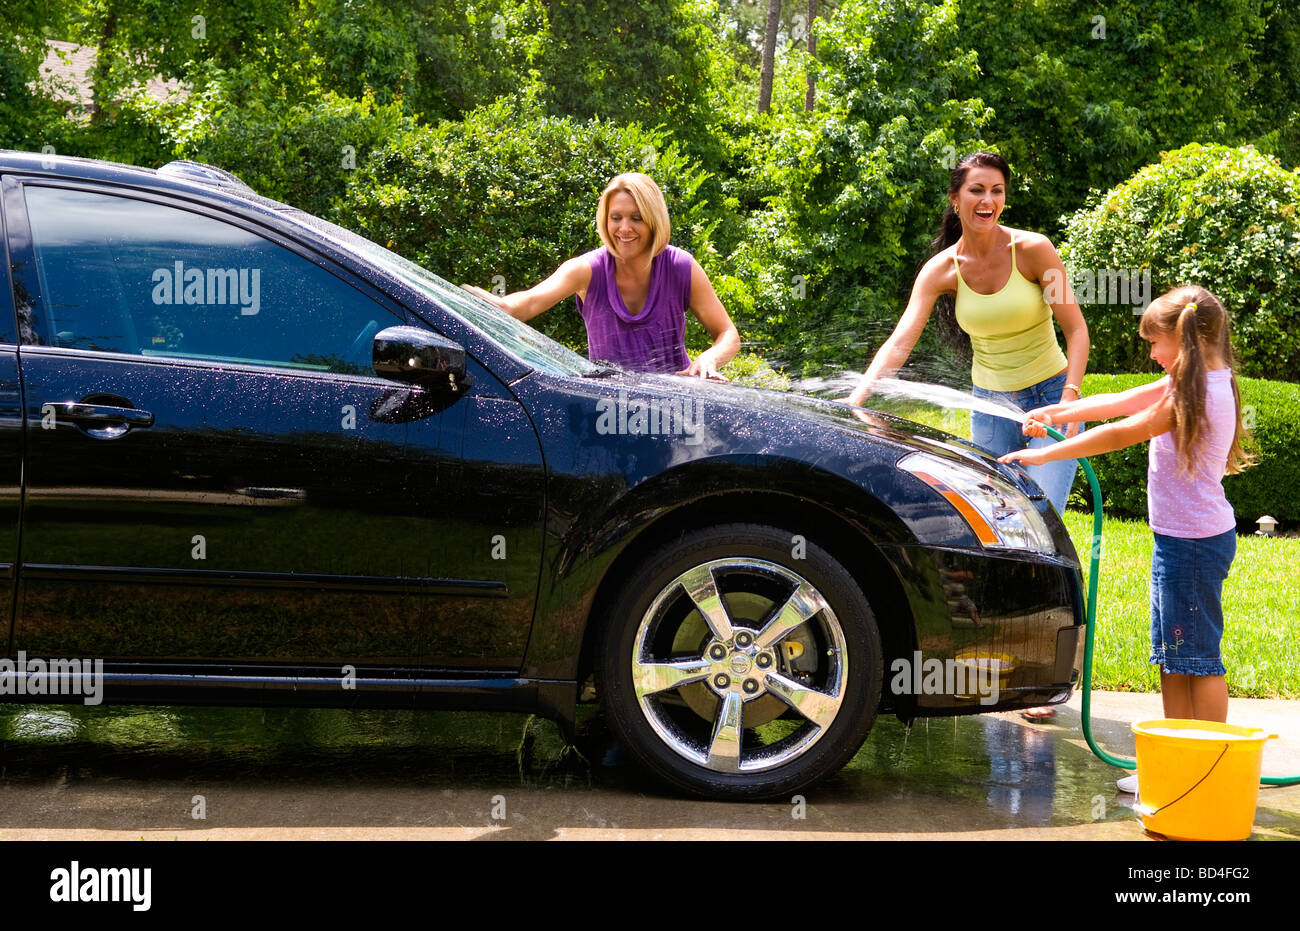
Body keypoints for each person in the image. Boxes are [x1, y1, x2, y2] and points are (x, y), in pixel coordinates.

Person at [998, 285, 1254, 790]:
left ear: (1186, 341)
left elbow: (1123, 431)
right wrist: (1057, 413)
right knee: (1173, 655)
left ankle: (1205, 772)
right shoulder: (1190, 379)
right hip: (1179, 541)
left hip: (1195, 547)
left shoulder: (1198, 393)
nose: (1152, 354)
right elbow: (1116, 402)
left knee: (1198, 660)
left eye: (1156, 343)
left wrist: (1046, 454)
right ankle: (1171, 760)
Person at [841, 152, 1090, 517]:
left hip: (1051, 397)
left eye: (997, 190)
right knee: (997, 518)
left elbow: (1077, 329)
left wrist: (1069, 399)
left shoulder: (1034, 250)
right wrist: (857, 398)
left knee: (1041, 514)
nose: (988, 201)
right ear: (955, 200)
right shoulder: (941, 270)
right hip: (991, 407)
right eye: (977, 190)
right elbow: (900, 341)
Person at [462, 172, 740, 379]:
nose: (624, 228)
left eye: (637, 218)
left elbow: (728, 333)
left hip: (672, 408)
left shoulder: (681, 266)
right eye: (615, 217)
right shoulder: (586, 270)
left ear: (654, 220)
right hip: (606, 410)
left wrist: (709, 358)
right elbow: (523, 305)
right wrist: (467, 301)